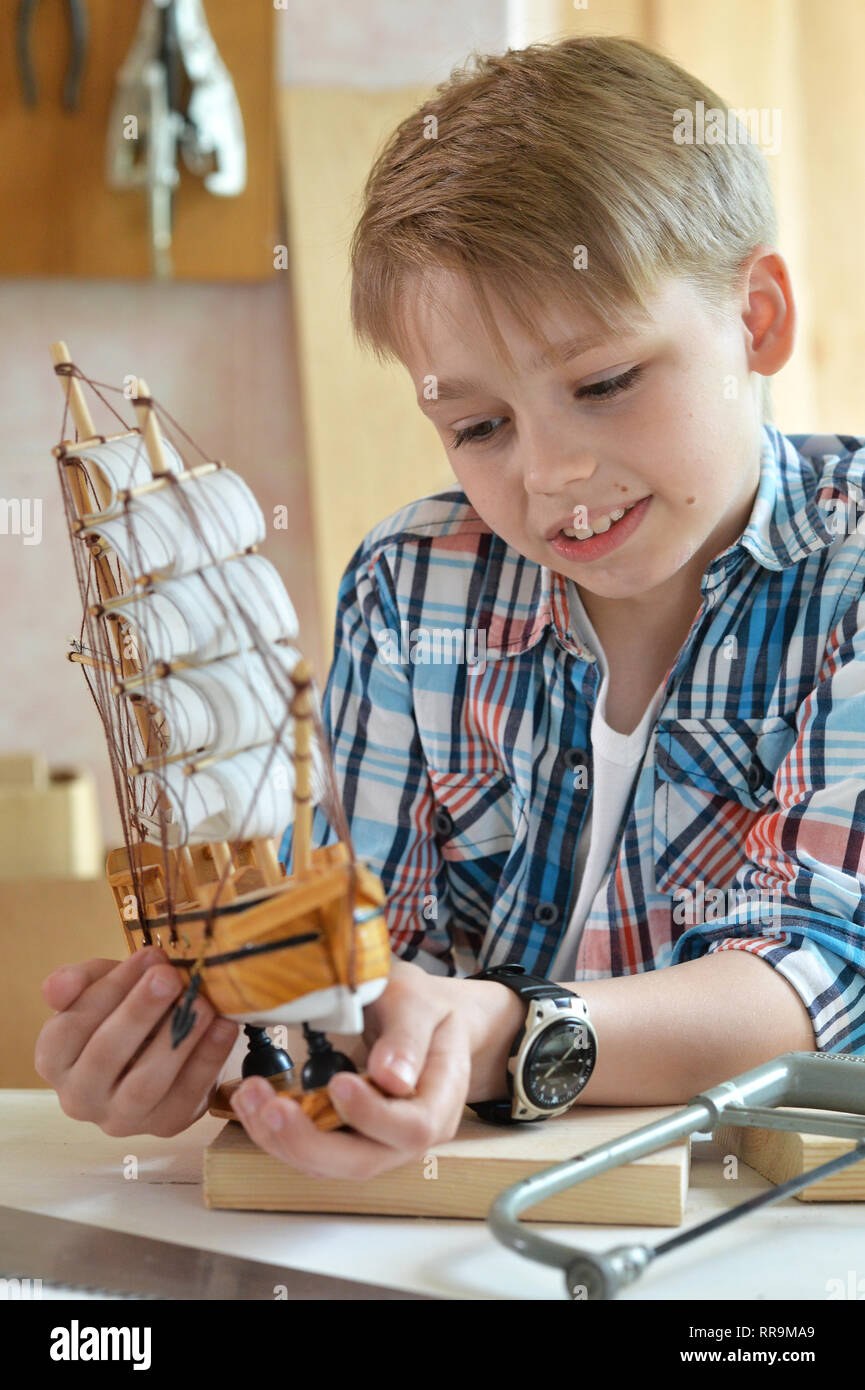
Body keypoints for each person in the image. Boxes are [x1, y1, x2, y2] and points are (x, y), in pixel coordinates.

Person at [36, 35, 864, 1182]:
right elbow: (367, 968)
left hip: (774, 1228)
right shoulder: (412, 585)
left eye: (606, 383)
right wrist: (230, 1050)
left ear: (757, 317)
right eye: (479, 425)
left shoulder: (851, 572)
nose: (552, 474)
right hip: (467, 1224)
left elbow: (813, 974)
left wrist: (495, 1031)